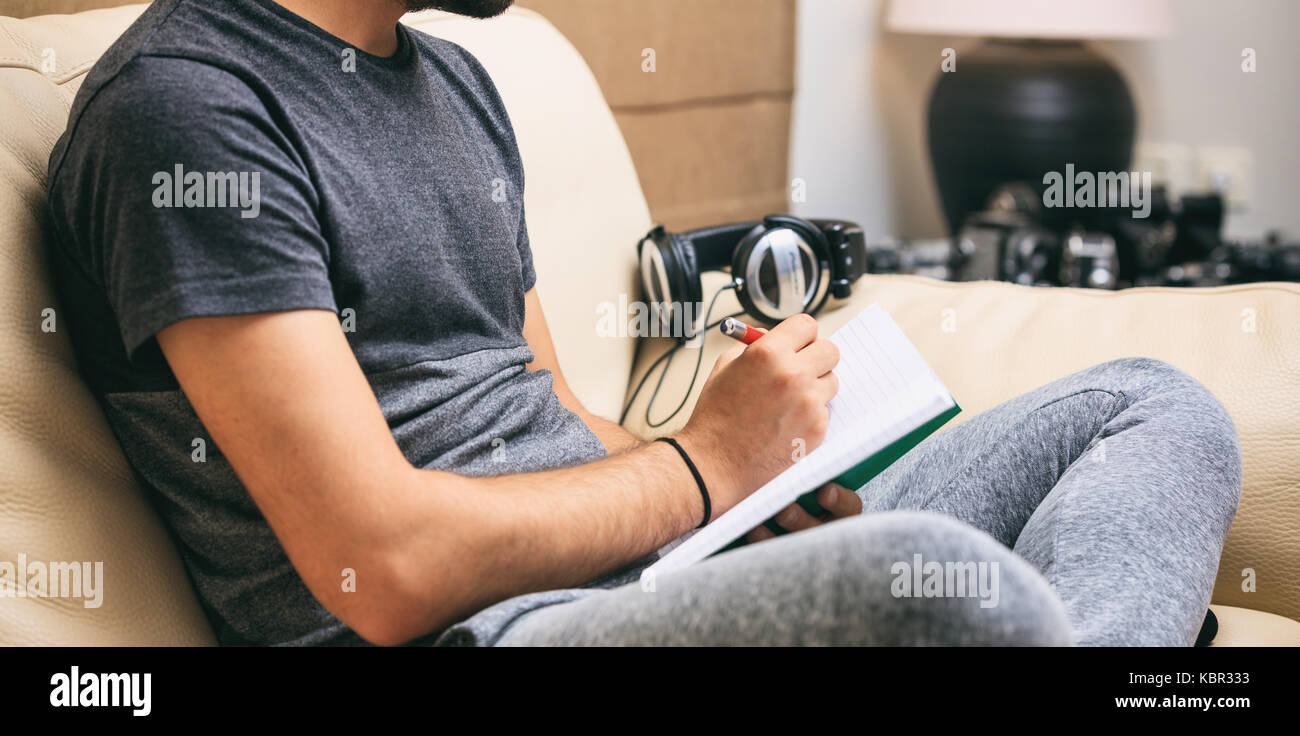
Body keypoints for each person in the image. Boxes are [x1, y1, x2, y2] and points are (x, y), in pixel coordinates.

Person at [45, 0, 1241, 646]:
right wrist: (705, 464)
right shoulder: (191, 113)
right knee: (945, 593)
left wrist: (773, 475)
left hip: (658, 566)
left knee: (1150, 406)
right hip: (493, 631)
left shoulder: (455, 81)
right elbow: (383, 567)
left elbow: (552, 413)